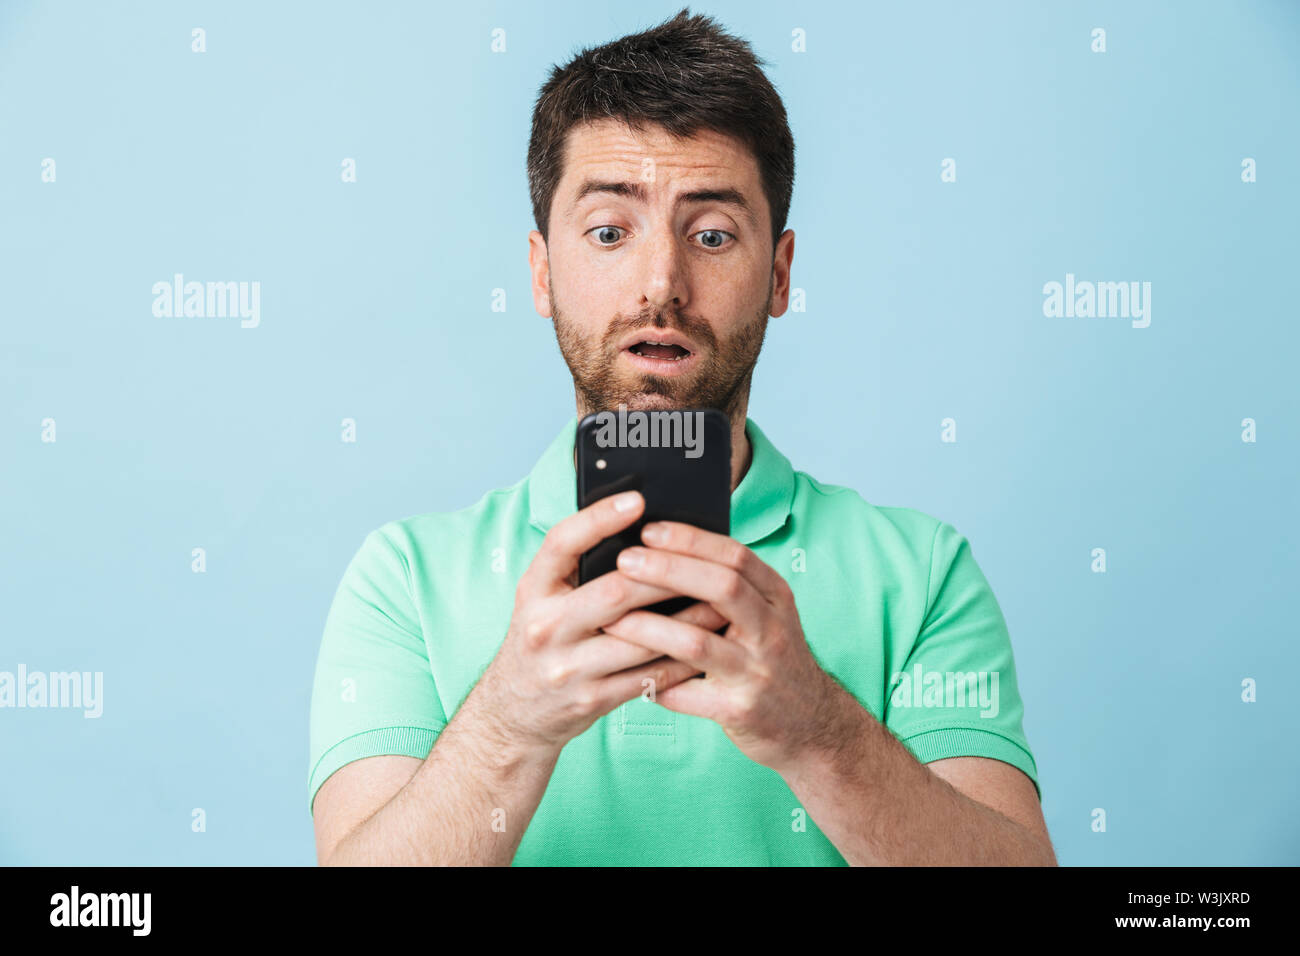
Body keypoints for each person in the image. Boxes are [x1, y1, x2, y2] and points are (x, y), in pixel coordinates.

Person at [308, 7, 1055, 866]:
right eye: (608, 232)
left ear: (778, 274)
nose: (661, 283)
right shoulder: (402, 580)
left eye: (711, 234)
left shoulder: (922, 575)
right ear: (542, 273)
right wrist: (511, 719)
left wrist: (815, 728)